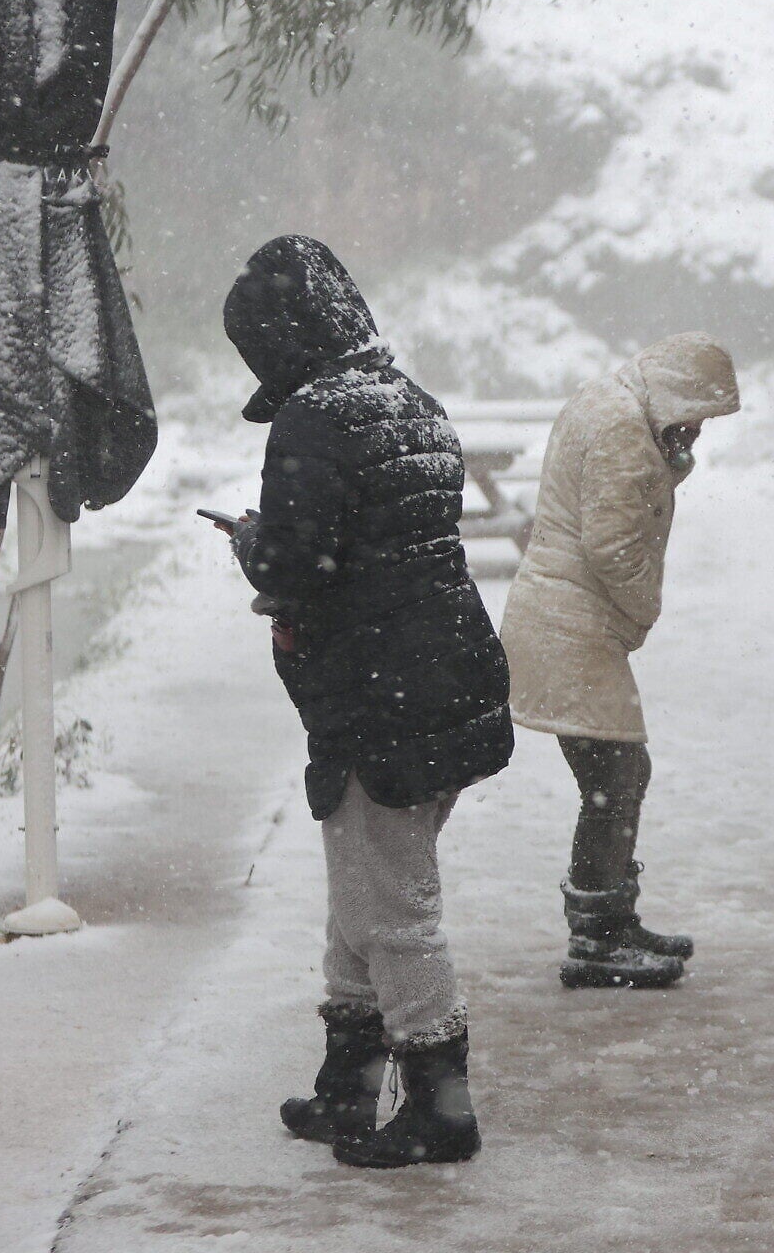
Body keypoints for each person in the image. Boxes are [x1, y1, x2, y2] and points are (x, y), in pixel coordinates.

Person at [223, 236, 514, 1169]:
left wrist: (255, 546)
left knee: (393, 910)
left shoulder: (313, 418)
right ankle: (347, 1086)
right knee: (367, 887)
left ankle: (442, 1109)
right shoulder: (411, 402)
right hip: (448, 677)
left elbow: (303, 566)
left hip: (379, 696)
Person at [499, 333, 741, 989]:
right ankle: (598, 937)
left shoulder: (611, 405)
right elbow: (612, 546)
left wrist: (670, 460)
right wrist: (642, 610)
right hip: (569, 626)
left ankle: (608, 921)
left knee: (615, 776)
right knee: (617, 776)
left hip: (558, 619)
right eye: (695, 414)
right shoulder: (624, 433)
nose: (696, 430)